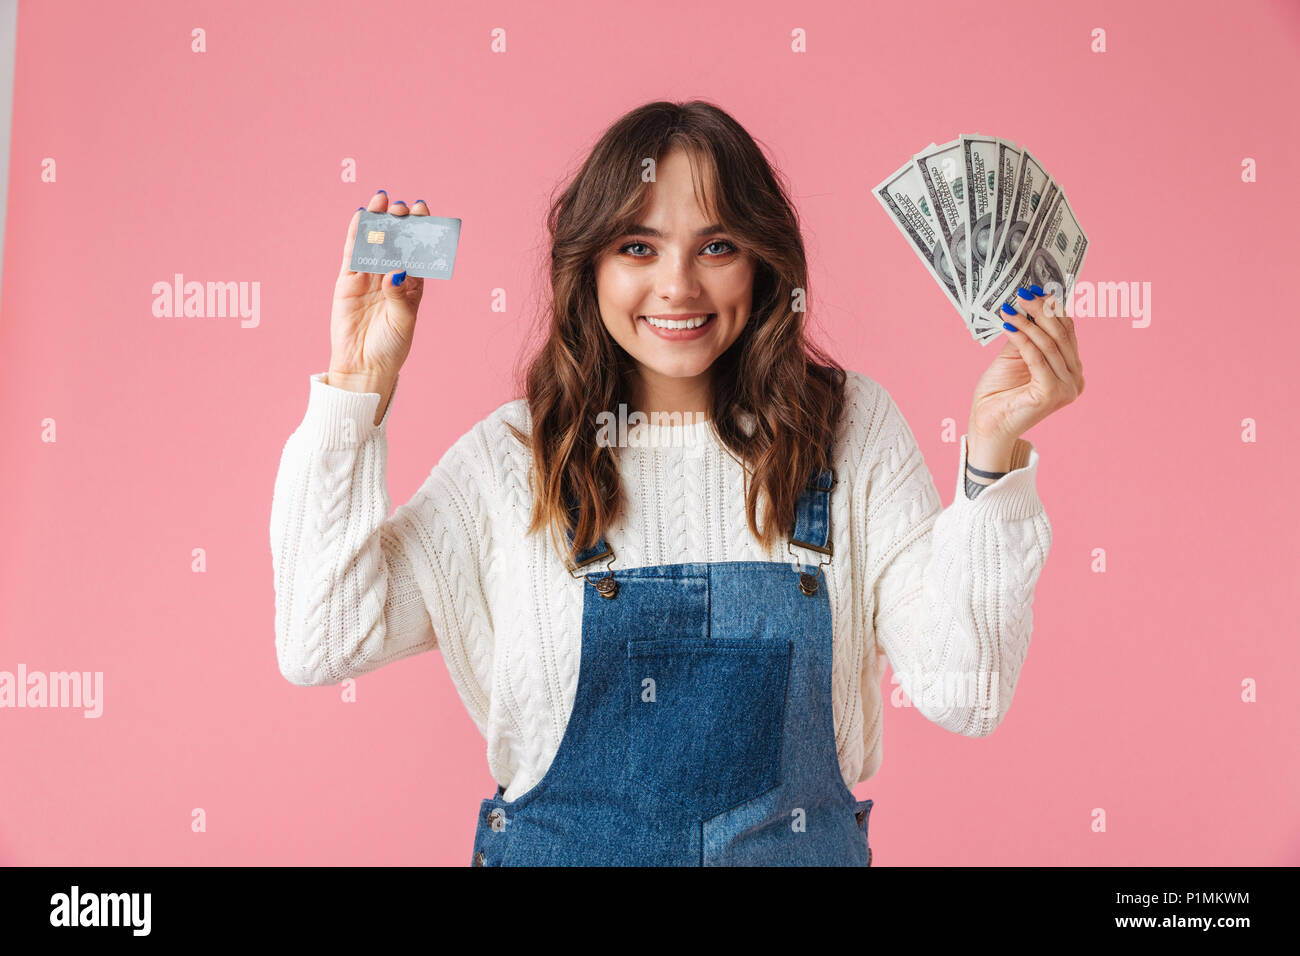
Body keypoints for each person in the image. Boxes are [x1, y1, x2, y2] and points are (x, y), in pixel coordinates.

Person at [270, 100, 1083, 867]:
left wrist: (993, 451)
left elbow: (967, 694)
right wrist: (356, 384)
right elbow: (321, 639)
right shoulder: (514, 460)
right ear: (588, 266)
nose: (679, 287)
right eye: (638, 247)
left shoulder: (848, 431)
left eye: (717, 246)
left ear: (765, 263)